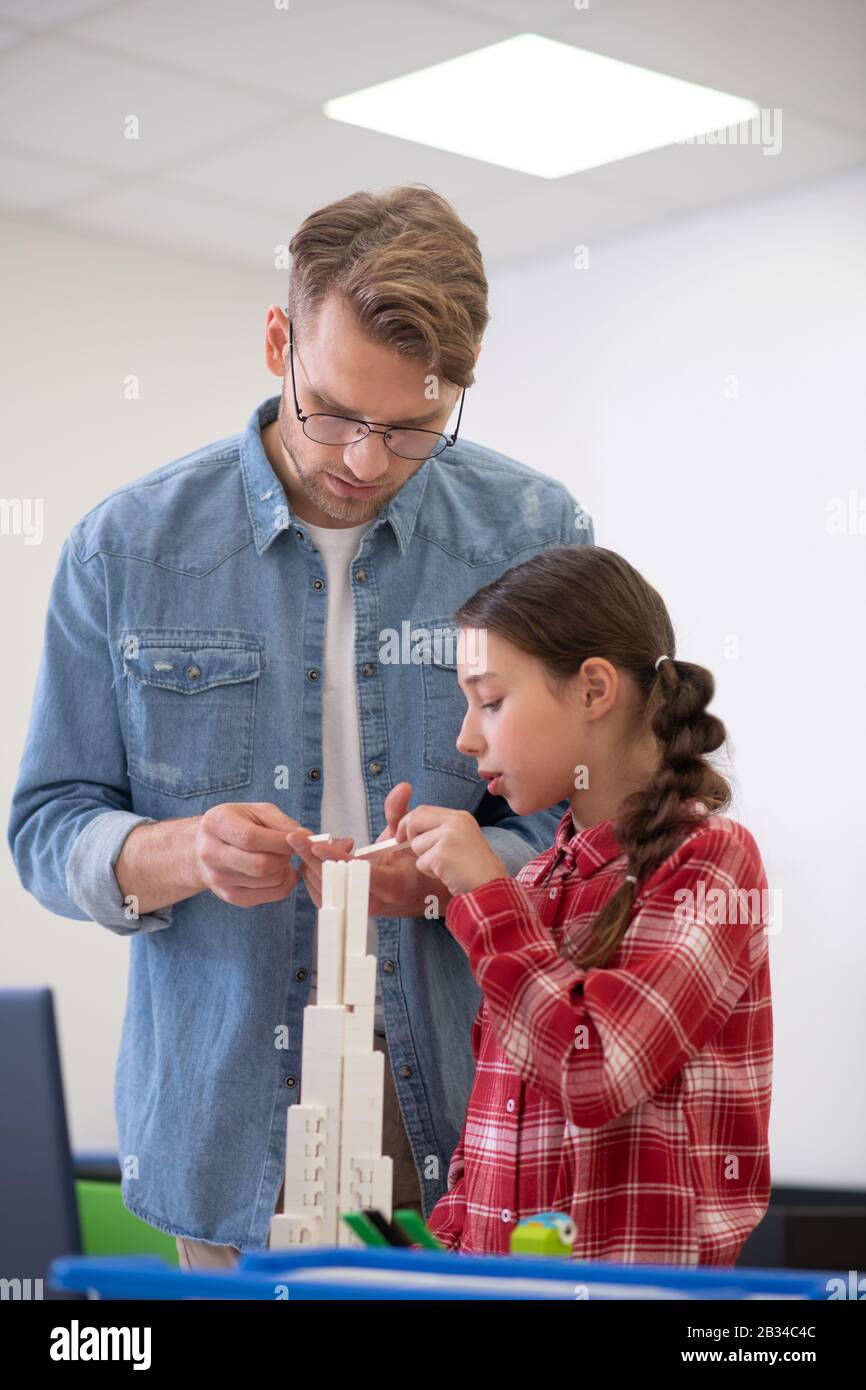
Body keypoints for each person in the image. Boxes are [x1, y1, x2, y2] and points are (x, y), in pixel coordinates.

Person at [7, 185, 593, 1268]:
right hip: (226, 1120)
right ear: (277, 341)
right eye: (333, 412)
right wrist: (179, 851)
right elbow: (47, 826)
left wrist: (462, 873)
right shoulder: (124, 546)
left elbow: (587, 819)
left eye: (412, 426)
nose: (366, 460)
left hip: (474, 1110)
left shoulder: (534, 533)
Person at [394, 545, 773, 1265]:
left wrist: (481, 893)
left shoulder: (711, 862)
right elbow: (491, 1140)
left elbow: (594, 1073)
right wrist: (434, 1259)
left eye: (492, 700)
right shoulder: (535, 884)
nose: (466, 737)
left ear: (595, 689)